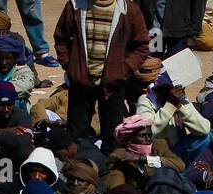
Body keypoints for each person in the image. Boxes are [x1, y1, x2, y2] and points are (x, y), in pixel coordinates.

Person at [52, 0, 151, 146]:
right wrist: (70, 65)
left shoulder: (128, 10)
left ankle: (109, 167)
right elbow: (61, 38)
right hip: (81, 83)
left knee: (113, 137)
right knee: (77, 137)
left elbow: (141, 46)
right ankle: (81, 167)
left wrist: (123, 69)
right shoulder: (75, 6)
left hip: (113, 85)